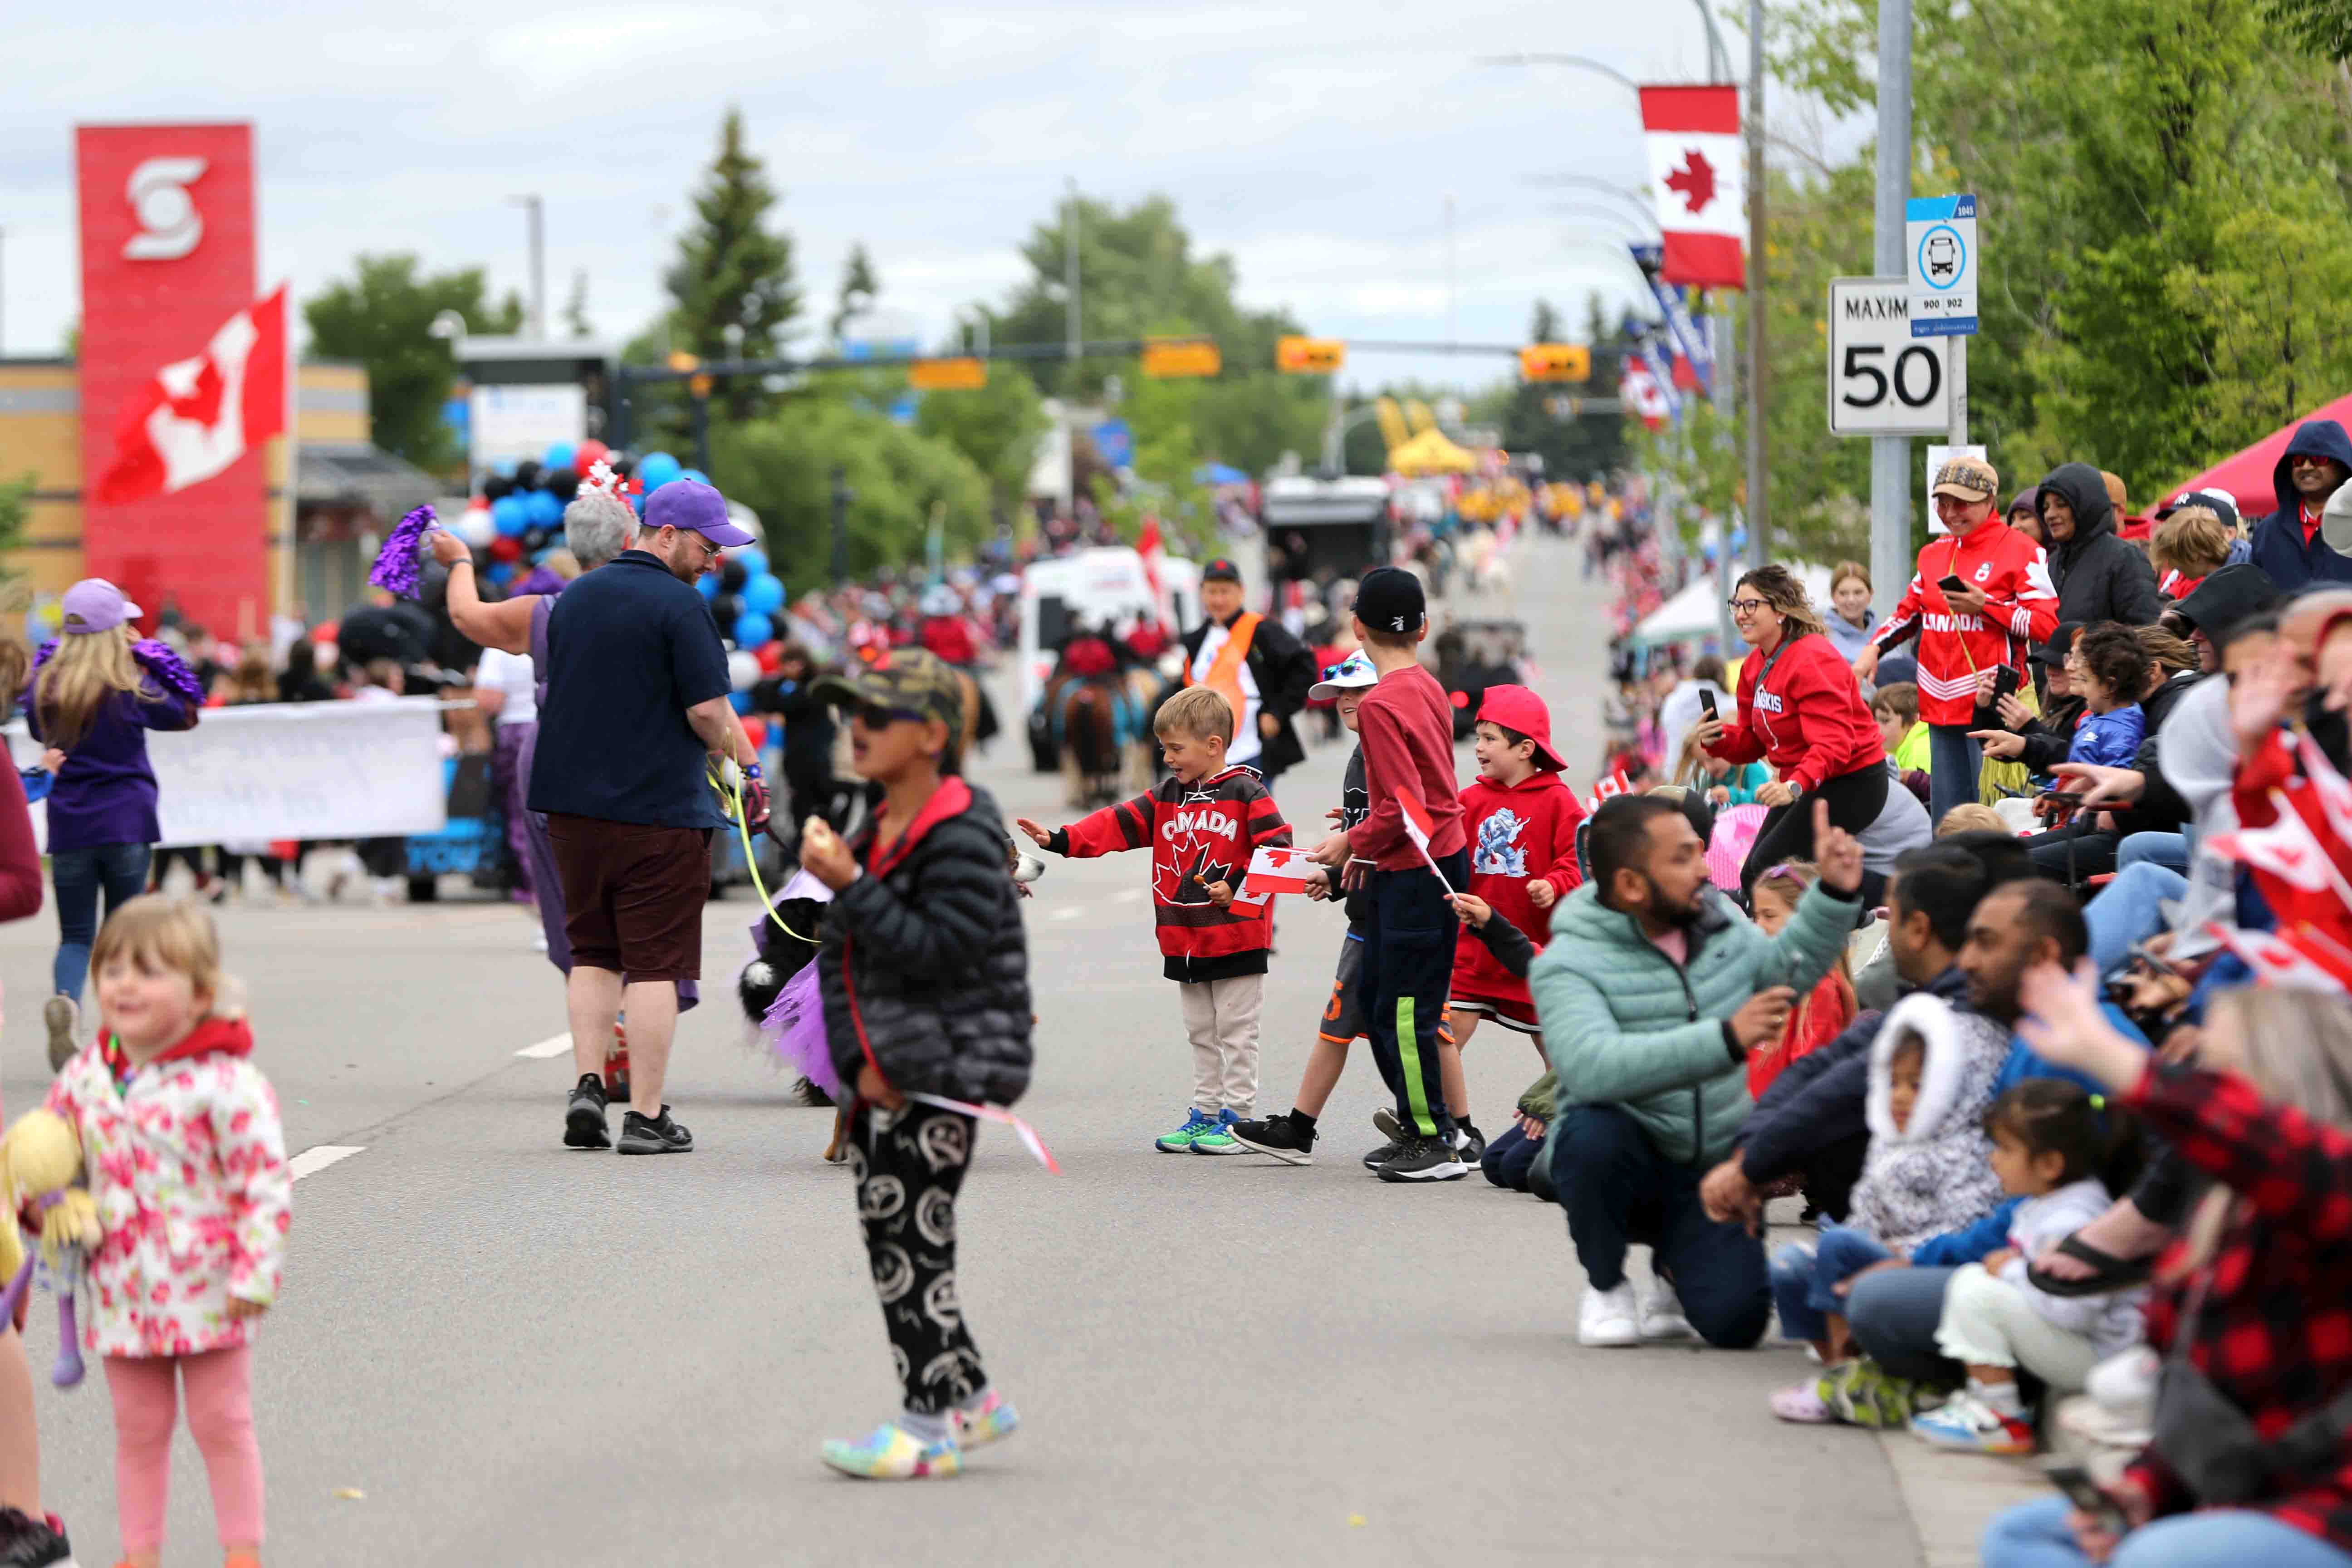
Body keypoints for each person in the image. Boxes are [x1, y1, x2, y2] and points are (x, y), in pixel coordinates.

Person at [1983, 979, 2352, 1568]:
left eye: (2220, 1075)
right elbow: (2201, 1415)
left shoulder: (2333, 1186)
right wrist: (2141, 1493)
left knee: (2160, 1558)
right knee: (2024, 1538)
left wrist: (2113, 1058)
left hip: (2331, 1519)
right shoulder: (2216, 1221)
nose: (2201, 1093)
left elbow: (2279, 1153)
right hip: (2248, 1505)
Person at [792, 650, 1031, 1481]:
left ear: (931, 734)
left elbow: (940, 953)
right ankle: (971, 1398)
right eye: (847, 712)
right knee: (896, 1236)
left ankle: (926, 1428)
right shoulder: (877, 820)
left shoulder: (963, 830)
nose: (853, 729)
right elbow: (837, 953)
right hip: (889, 1070)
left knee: (908, 1245)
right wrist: (857, 1063)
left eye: (876, 715)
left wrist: (851, 880)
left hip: (946, 1068)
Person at [1537, 793, 1865, 1348]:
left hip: (1712, 1164)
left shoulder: (1718, 926)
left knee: (1734, 1326)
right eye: (1683, 858)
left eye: (1699, 851)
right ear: (1632, 886)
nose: (1703, 868)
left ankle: (1672, 1272)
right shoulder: (1570, 961)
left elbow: (1786, 972)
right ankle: (1605, 1283)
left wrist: (1832, 894)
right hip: (1627, 1155)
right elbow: (1592, 1068)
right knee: (1592, 1133)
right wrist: (1723, 1039)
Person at [44, 896, 289, 1568]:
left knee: (222, 1421)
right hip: (122, 1284)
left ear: (200, 993)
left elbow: (265, 1183)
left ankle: (242, 1551)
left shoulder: (226, 1082)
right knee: (138, 1429)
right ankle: (139, 1553)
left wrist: (254, 1273)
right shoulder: (86, 1078)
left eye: (148, 971)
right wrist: (44, 1206)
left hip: (211, 1285)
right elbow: (50, 1156)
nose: (125, 984)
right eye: (113, 968)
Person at [530, 478, 768, 1156]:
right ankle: (645, 1115)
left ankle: (586, 1084)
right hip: (657, 812)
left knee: (593, 951)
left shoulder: (572, 600)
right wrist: (749, 771)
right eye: (706, 544)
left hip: (573, 811)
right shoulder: (681, 605)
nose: (715, 558)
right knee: (655, 965)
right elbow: (706, 712)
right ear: (664, 534)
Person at [1016, 685, 1291, 1155]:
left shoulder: (1248, 792)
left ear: (1214, 746)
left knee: (1237, 1031)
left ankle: (1239, 1120)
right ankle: (1205, 1113)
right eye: (1163, 747)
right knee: (1201, 1032)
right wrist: (1062, 838)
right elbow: (1116, 824)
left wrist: (1240, 883)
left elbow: (1280, 851)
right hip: (1184, 938)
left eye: (1175, 748)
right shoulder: (1167, 796)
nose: (1165, 758)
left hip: (1237, 937)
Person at [1767, 991, 2009, 1422]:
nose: (1899, 1097)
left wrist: (1898, 1252)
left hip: (1923, 1265)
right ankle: (1838, 1365)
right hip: (1877, 1254)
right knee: (1789, 1264)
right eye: (1894, 1083)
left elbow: (1965, 1224)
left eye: (1917, 1085)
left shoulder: (1966, 1149)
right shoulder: (1890, 1145)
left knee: (1838, 1244)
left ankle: (1843, 1382)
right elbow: (1865, 1213)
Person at [1305, 566, 1472, 1181]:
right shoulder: (1427, 685)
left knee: (1403, 1010)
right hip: (1435, 857)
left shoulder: (1379, 704)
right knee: (1380, 1001)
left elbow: (1403, 810)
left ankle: (1434, 1140)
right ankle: (1419, 1122)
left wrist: (1347, 842)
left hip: (1415, 867)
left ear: (1355, 627)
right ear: (1424, 627)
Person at [1906, 1079, 2146, 1453]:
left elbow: (2076, 1310)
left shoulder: (2072, 1217)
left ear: (2050, 1164)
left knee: (1975, 1290)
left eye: (2005, 1148)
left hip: (2099, 1358)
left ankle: (1999, 1415)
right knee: (1974, 1282)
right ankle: (1987, 1402)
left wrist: (2013, 1273)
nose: (1993, 1158)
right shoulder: (2046, 1204)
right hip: (2088, 1349)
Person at [27, 579, 202, 1071]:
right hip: (128, 819)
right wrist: (156, 659)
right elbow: (185, 714)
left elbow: (40, 730)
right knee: (127, 935)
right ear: (116, 630)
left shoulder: (47, 685)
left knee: (77, 935)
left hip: (70, 825)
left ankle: (68, 1000)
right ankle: (122, 1036)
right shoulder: (133, 684)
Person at [1230, 654, 1385, 1165]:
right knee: (1338, 1024)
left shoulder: (1391, 753)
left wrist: (1348, 846)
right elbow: (1370, 840)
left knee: (1436, 1029)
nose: (1346, 701)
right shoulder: (1360, 756)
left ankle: (1451, 1129)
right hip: (1367, 916)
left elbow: (1403, 832)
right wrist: (1338, 875)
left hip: (1400, 918)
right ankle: (1300, 1128)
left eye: (1358, 691)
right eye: (1340, 695)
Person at [1857, 456, 2059, 826]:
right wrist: (1874, 648)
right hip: (1937, 703)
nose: (1950, 512)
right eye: (1943, 502)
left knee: (1985, 819)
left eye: (1961, 502)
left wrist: (1987, 606)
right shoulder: (1934, 554)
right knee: (1948, 820)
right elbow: (1909, 612)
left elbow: (2047, 624)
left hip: (1990, 705)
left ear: (1990, 500)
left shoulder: (2022, 550)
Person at [1437, 686, 1583, 1156]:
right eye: (1477, 737)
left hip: (1533, 952)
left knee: (1558, 1051)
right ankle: (1437, 1123)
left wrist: (1555, 884)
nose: (1477, 747)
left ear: (1525, 749)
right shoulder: (1469, 799)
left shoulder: (1560, 801)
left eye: (1489, 739)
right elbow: (1438, 842)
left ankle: (1572, 1122)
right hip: (1474, 947)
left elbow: (1579, 861)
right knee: (1445, 1036)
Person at [1694, 564, 1887, 894]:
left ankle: (1878, 903)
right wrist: (1719, 740)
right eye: (1736, 605)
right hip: (1807, 780)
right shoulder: (1754, 664)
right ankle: (1841, 922)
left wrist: (1794, 786)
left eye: (1751, 605)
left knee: (1769, 872)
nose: (1741, 614)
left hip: (1854, 781)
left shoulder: (1813, 657)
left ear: (1781, 610)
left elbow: (1835, 744)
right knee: (1752, 875)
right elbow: (1753, 742)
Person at [1178, 557, 1315, 789]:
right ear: (1202, 594)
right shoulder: (1195, 640)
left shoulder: (1262, 630)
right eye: (1212, 592)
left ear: (1240, 591)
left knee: (1255, 819)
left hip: (1252, 747)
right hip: (1204, 750)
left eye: (1225, 591)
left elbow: (1304, 666)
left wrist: (1277, 712)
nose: (1219, 599)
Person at [1744, 861, 1857, 1098]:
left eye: (1769, 916)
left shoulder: (1820, 990)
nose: (1758, 926)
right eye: (1756, 916)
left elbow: (1807, 1081)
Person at [2038, 463, 2162, 628]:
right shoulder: (2049, 565)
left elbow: (2146, 632)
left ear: (2086, 505)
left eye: (2061, 505)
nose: (2050, 515)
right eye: (2045, 508)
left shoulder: (2124, 558)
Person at [2247, 417, 2352, 591]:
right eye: (2299, 460)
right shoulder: (2268, 531)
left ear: (2342, 465)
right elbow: (2254, 596)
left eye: (2319, 459)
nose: (2306, 467)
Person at [1656, 655, 1729, 774]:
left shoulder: (1672, 700)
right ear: (1720, 676)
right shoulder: (1723, 701)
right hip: (1706, 770)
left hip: (1674, 769)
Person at [2151, 505, 2231, 603]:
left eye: (2174, 557)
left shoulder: (2218, 594)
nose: (2173, 566)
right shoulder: (2229, 581)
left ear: (2194, 554)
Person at [1824, 560, 1880, 663]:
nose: (1851, 600)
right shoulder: (1824, 640)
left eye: (1858, 593)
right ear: (1833, 596)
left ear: (1871, 594)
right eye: (1843, 593)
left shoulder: (1886, 636)